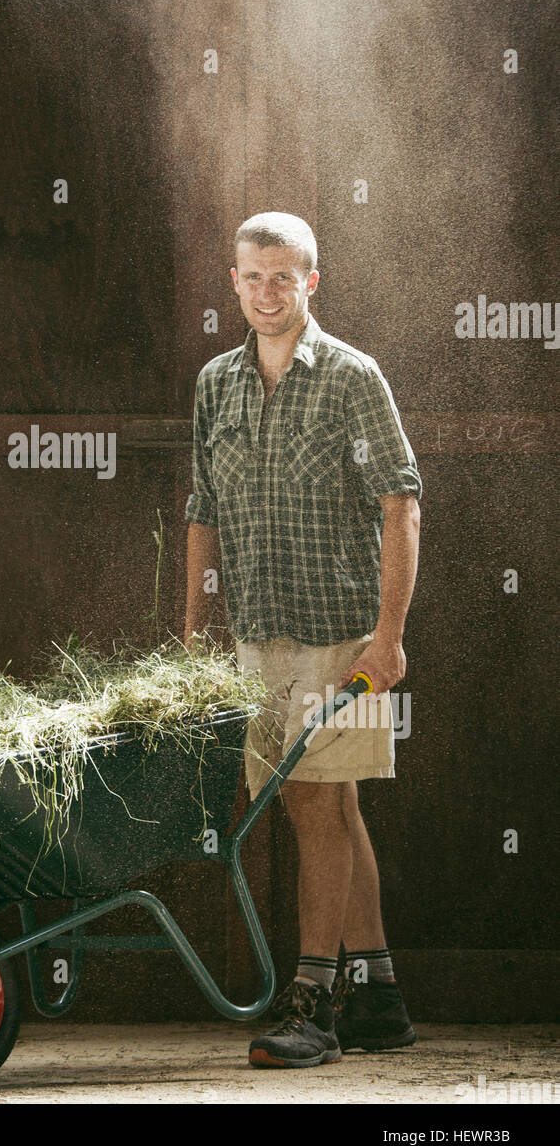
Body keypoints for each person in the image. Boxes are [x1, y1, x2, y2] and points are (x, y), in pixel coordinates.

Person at [183, 212, 421, 1068]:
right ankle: (382, 997)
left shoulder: (355, 378)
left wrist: (388, 636)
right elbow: (202, 511)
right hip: (258, 632)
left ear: (311, 282)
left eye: (284, 276)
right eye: (252, 277)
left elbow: (402, 501)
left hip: (338, 634)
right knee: (325, 804)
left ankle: (314, 1002)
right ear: (235, 283)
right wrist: (192, 637)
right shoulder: (216, 383)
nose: (267, 292)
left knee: (318, 806)